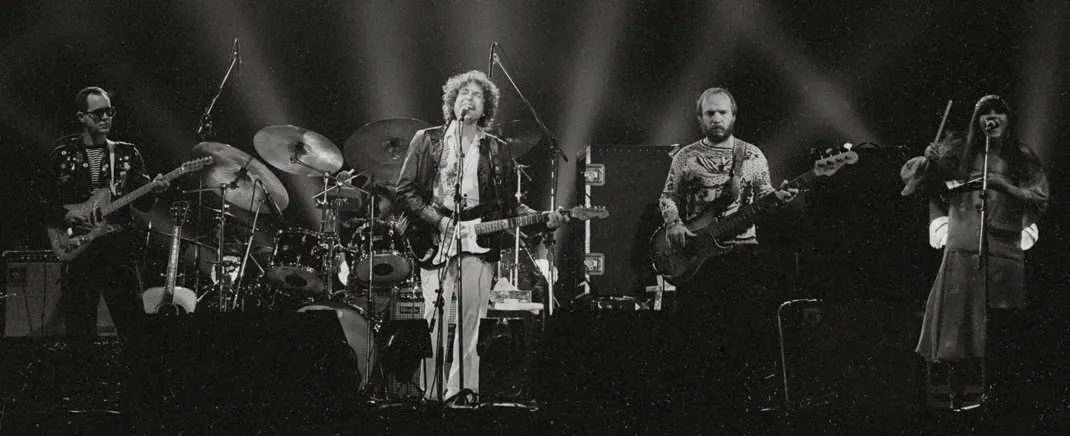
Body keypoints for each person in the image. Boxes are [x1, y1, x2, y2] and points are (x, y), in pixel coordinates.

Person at [395, 70, 567, 403]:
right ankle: (430, 394)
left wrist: (544, 219)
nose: (469, 99)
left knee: (471, 322)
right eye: (464, 94)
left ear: (485, 107)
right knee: (432, 319)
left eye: (477, 95)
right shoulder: (427, 139)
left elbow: (508, 206)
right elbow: (405, 190)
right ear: (452, 101)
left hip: (479, 240)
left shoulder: (496, 149)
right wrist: (438, 221)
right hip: (435, 237)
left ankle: (462, 393)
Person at [903, 95, 1049, 410]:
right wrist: (927, 162)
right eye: (985, 113)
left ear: (1009, 120)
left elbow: (1039, 197)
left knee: (1001, 325)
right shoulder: (958, 152)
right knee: (958, 323)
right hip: (962, 245)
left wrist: (1002, 185)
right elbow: (924, 188)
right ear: (976, 120)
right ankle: (956, 400)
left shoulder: (1021, 157)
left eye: (999, 112)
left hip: (1003, 249)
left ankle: (997, 398)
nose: (991, 118)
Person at [658, 87, 798, 412]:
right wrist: (674, 223)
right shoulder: (685, 157)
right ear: (700, 118)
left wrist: (779, 198)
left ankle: (742, 408)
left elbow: (766, 197)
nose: (717, 118)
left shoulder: (752, 156)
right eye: (710, 113)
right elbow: (668, 196)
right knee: (697, 336)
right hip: (697, 258)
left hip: (741, 256)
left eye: (722, 112)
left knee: (743, 334)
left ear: (733, 115)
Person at [42, 87, 169, 360]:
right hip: (80, 247)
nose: (105, 117)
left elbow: (144, 204)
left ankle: (137, 390)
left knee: (133, 324)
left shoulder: (126, 153)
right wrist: (64, 215)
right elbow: (39, 200)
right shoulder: (63, 154)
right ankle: (83, 389)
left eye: (109, 111)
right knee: (80, 326)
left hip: (117, 248)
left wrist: (154, 191)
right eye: (98, 112)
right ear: (81, 117)